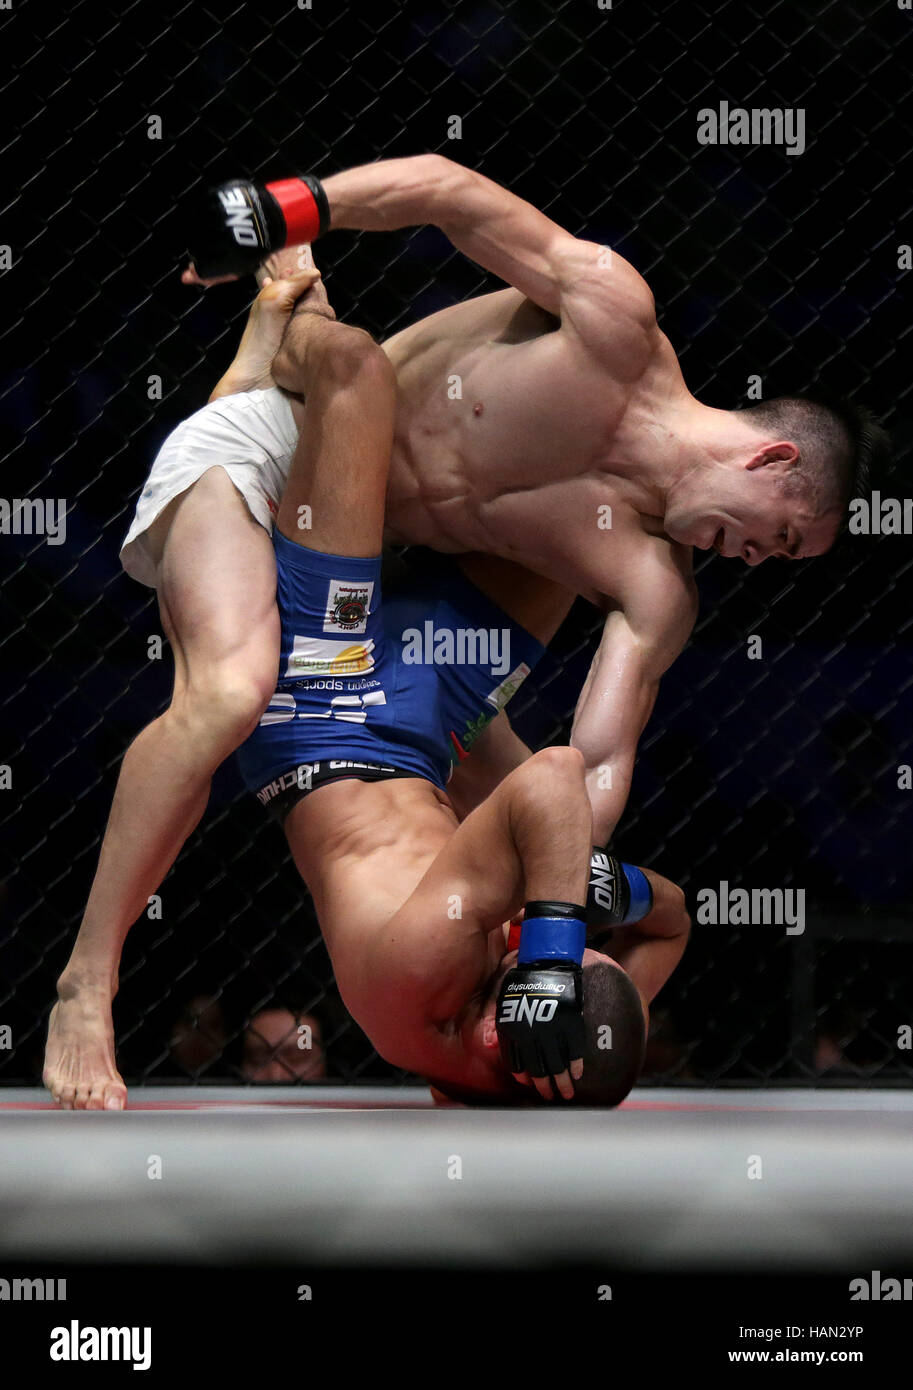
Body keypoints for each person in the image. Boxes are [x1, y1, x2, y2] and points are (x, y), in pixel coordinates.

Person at [47, 153, 886, 1104]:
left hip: (358, 571)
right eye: (778, 539)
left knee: (509, 706)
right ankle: (87, 981)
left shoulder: (649, 582)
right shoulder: (614, 323)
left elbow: (595, 764)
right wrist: (292, 207)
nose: (755, 560)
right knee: (234, 686)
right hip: (281, 451)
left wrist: (548, 926)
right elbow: (451, 193)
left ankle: (281, 319)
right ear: (772, 459)